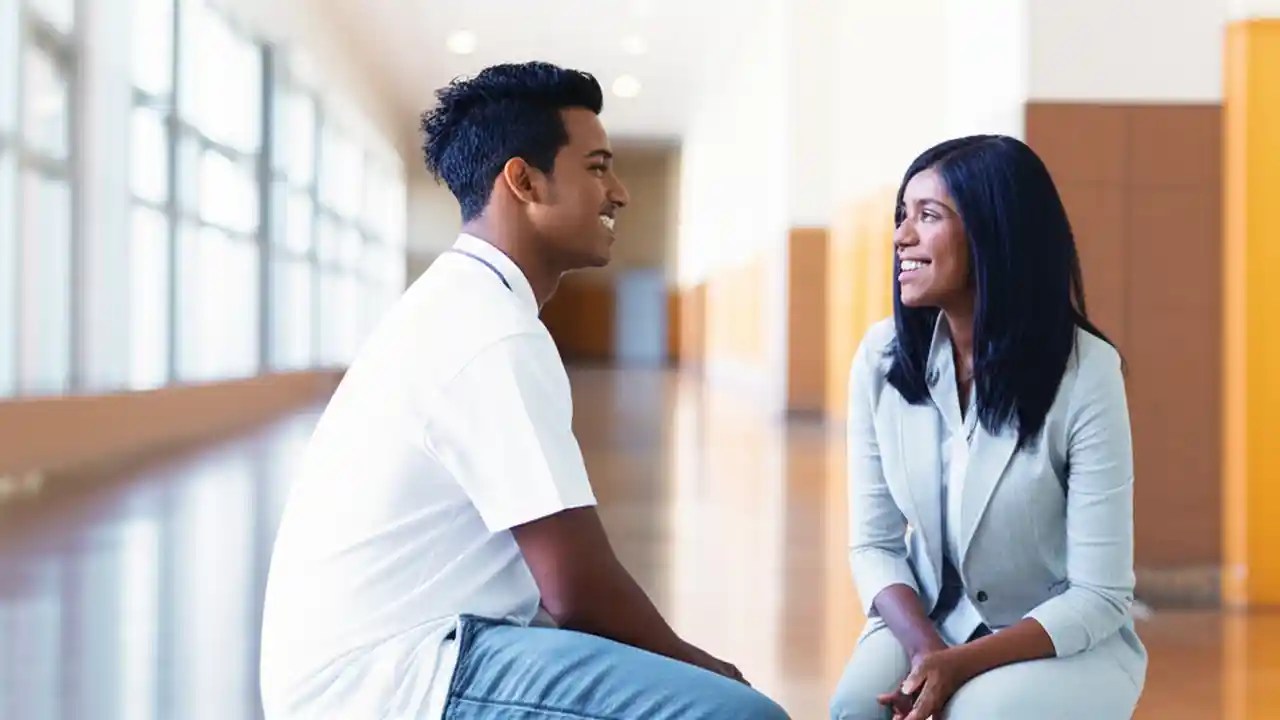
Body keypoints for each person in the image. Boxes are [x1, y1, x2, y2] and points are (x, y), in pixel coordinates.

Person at [258, 61, 789, 720]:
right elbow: (575, 589)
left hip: (381, 659)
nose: (619, 193)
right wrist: (709, 671)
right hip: (389, 681)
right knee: (742, 715)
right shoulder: (489, 329)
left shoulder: (463, 302)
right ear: (524, 181)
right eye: (597, 168)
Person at [828, 135, 1147, 720]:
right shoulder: (881, 357)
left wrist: (959, 666)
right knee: (855, 708)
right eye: (902, 214)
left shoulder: (1087, 373)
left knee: (975, 714)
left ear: (993, 232)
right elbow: (874, 545)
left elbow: (1099, 594)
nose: (901, 236)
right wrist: (927, 650)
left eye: (928, 215)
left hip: (1059, 636)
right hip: (930, 620)